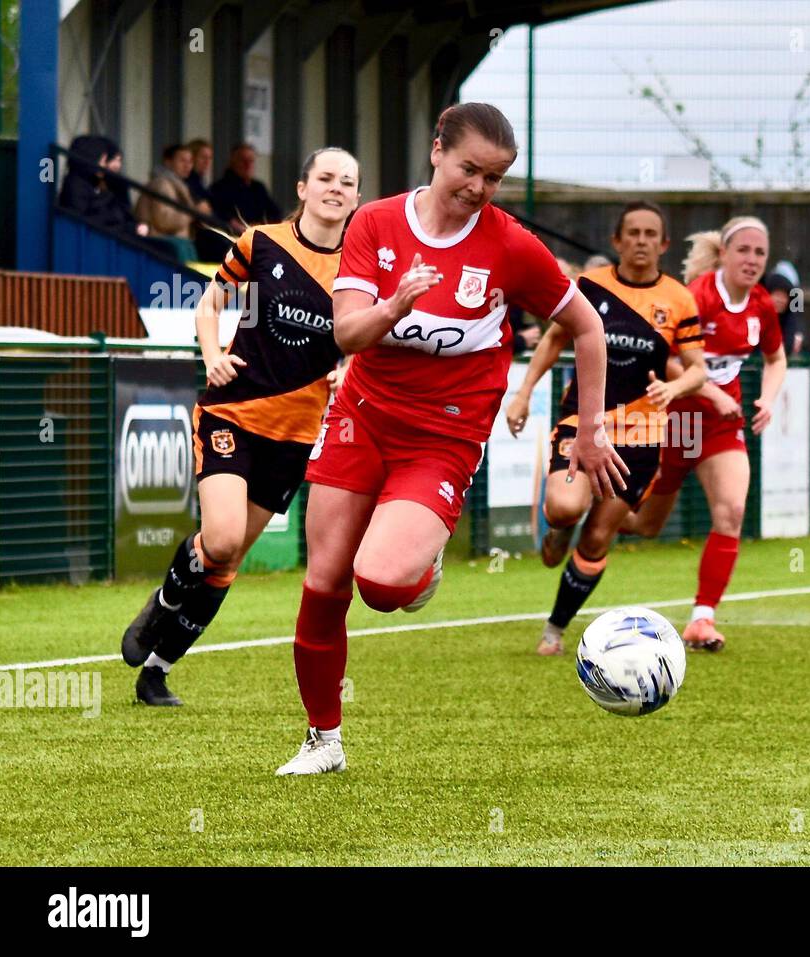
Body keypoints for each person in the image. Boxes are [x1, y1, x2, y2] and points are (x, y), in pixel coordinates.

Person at [276, 103, 627, 776]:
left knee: (379, 583)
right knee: (324, 581)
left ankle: (419, 561)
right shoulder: (374, 222)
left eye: (493, 178)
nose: (478, 188)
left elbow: (587, 326)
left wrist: (591, 426)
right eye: (469, 168)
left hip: (444, 433)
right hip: (361, 418)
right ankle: (324, 740)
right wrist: (392, 307)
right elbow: (346, 334)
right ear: (437, 150)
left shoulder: (510, 244)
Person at [119, 147, 362, 706]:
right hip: (232, 412)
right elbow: (209, 306)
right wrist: (212, 356)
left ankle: (156, 671)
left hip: (297, 433)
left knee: (228, 561)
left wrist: (350, 369)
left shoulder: (360, 267)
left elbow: (365, 337)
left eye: (347, 182)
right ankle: (163, 599)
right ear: (302, 187)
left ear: (356, 196)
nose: (335, 188)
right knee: (221, 539)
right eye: (325, 177)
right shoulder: (262, 242)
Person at [505, 201, 707, 655]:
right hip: (584, 421)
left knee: (598, 537)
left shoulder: (678, 300)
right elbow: (555, 339)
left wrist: (675, 391)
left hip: (641, 436)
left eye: (650, 234)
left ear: (664, 244)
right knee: (563, 506)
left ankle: (555, 629)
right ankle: (559, 525)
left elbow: (698, 370)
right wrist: (522, 394)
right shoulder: (589, 286)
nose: (641, 241)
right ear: (617, 241)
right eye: (632, 232)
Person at [618, 216, 787, 651]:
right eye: (743, 251)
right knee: (646, 526)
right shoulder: (697, 297)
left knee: (731, 510)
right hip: (676, 418)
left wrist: (767, 399)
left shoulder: (762, 304)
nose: (751, 260)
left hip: (719, 424)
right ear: (724, 254)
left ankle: (702, 618)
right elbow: (665, 358)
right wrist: (710, 391)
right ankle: (596, 511)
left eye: (760, 253)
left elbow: (776, 358)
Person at [58, 134, 150, 239]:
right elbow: (87, 222)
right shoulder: (76, 186)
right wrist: (128, 228)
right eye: (102, 161)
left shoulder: (94, 185)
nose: (104, 166)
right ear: (91, 160)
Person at [134, 144, 199, 261]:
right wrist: (193, 212)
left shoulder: (176, 184)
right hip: (164, 245)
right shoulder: (163, 185)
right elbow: (164, 220)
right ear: (168, 162)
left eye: (190, 161)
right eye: (182, 160)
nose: (187, 165)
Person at [210, 142, 283, 235]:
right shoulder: (219, 188)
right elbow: (221, 215)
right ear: (232, 162)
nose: (248, 165)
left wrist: (260, 226)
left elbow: (276, 213)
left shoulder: (258, 187)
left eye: (251, 160)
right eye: (243, 160)